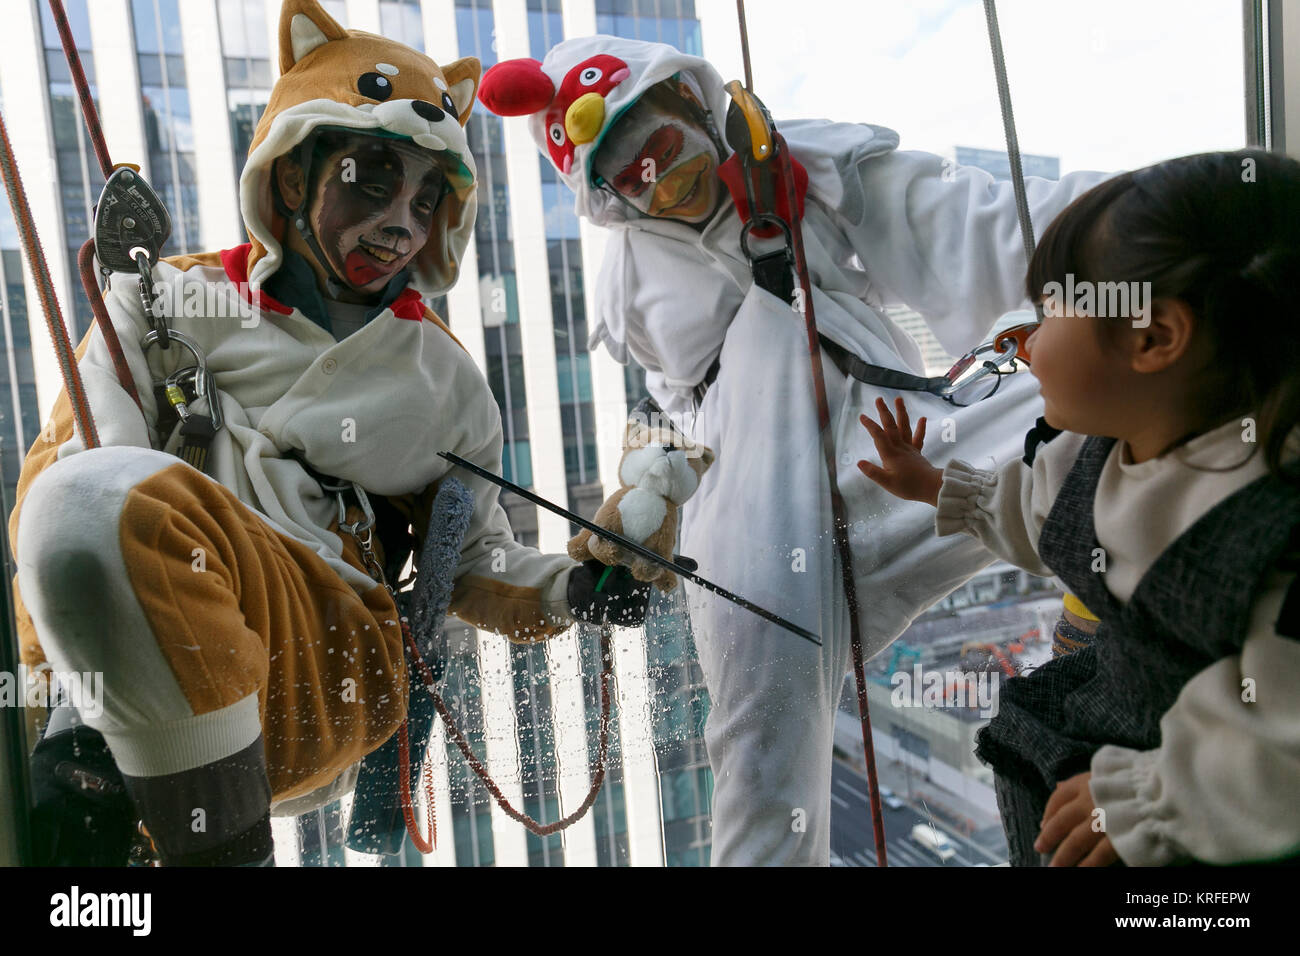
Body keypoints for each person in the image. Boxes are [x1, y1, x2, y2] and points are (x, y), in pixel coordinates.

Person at [10, 0, 651, 867]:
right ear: (289, 173)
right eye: (371, 179)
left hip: (320, 658)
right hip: (139, 657)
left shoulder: (447, 381)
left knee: (101, 510)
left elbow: (476, 566)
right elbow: (74, 474)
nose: (401, 224)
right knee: (81, 503)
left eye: (428, 200)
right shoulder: (158, 299)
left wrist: (579, 590)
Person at [479, 34, 1112, 865]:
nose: (661, 185)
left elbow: (979, 227)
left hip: (890, 450)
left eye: (663, 150)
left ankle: (1106, 611)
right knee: (761, 757)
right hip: (748, 502)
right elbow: (666, 407)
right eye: (629, 180)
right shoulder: (630, 285)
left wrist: (1155, 224)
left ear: (689, 102)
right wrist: (646, 494)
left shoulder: (810, 164)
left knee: (1099, 395)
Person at [859, 148, 1300, 865]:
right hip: (1106, 730)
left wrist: (1152, 799)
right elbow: (1037, 517)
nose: (1028, 342)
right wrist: (938, 487)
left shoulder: (1269, 523)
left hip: (1200, 806)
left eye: (1051, 309)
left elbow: (1280, 737)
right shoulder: (1086, 454)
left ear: (1153, 338)